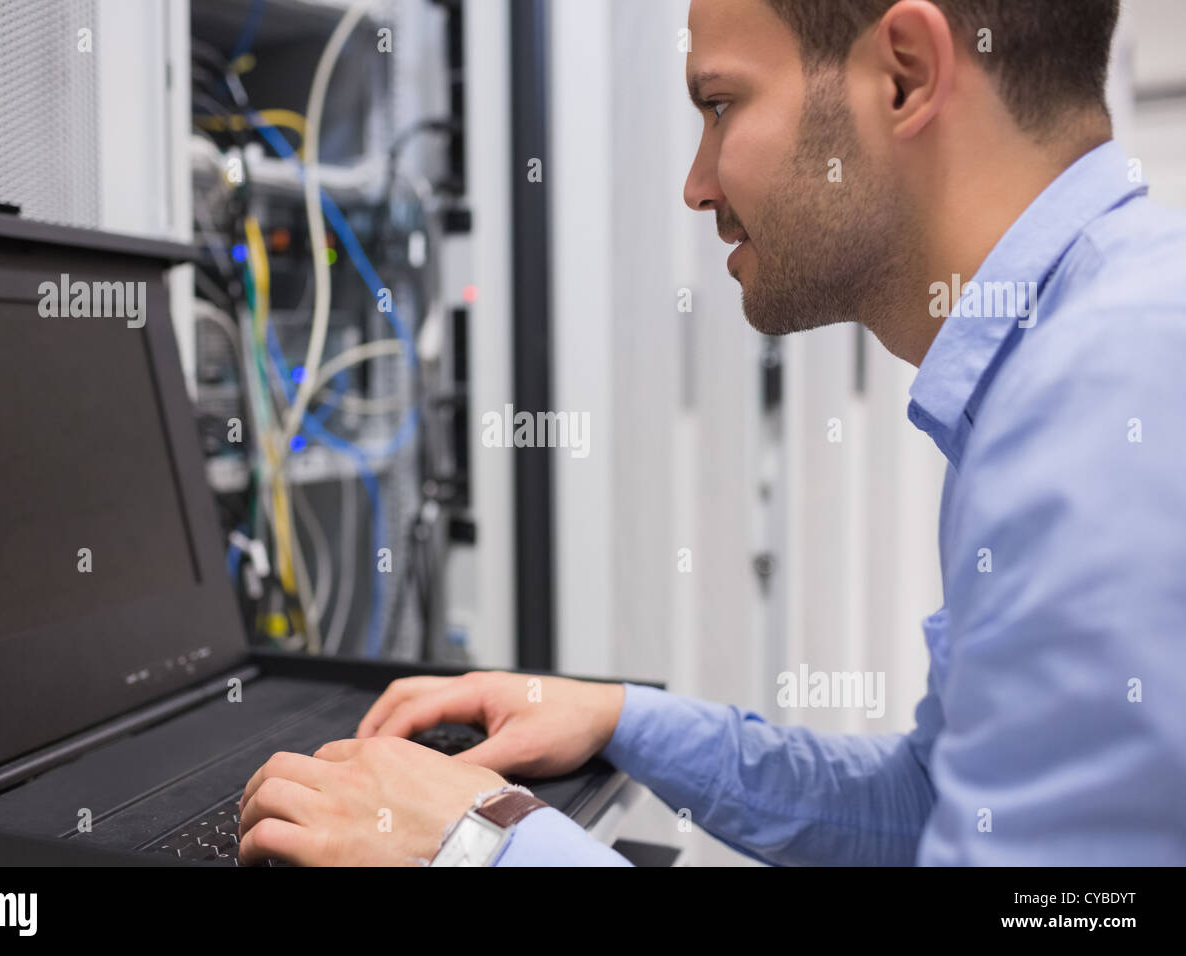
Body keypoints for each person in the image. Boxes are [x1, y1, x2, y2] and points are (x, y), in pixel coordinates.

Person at [236, 0, 1186, 866]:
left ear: (904, 76)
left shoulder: (1103, 399)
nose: (696, 185)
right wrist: (620, 718)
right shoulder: (1068, 359)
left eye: (721, 104)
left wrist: (480, 844)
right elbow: (934, 808)